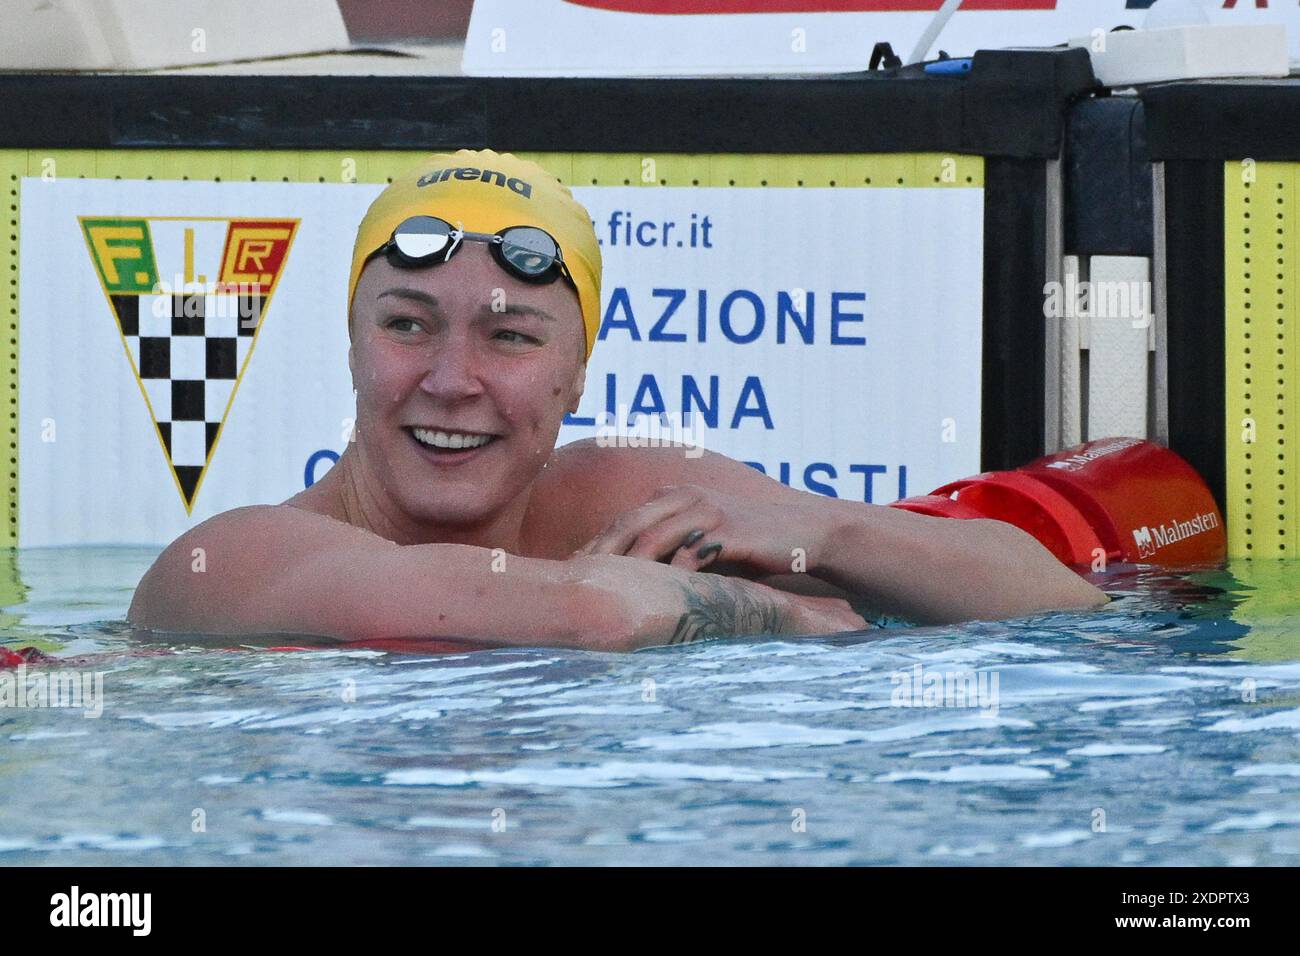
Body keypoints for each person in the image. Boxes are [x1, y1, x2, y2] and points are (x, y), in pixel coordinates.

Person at [128, 148, 1107, 651]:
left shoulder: (628, 492)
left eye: (510, 335)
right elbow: (590, 615)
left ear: (578, 371)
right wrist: (795, 614)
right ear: (350, 342)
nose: (452, 378)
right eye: (408, 324)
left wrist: (828, 534)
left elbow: (1060, 606)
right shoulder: (236, 558)